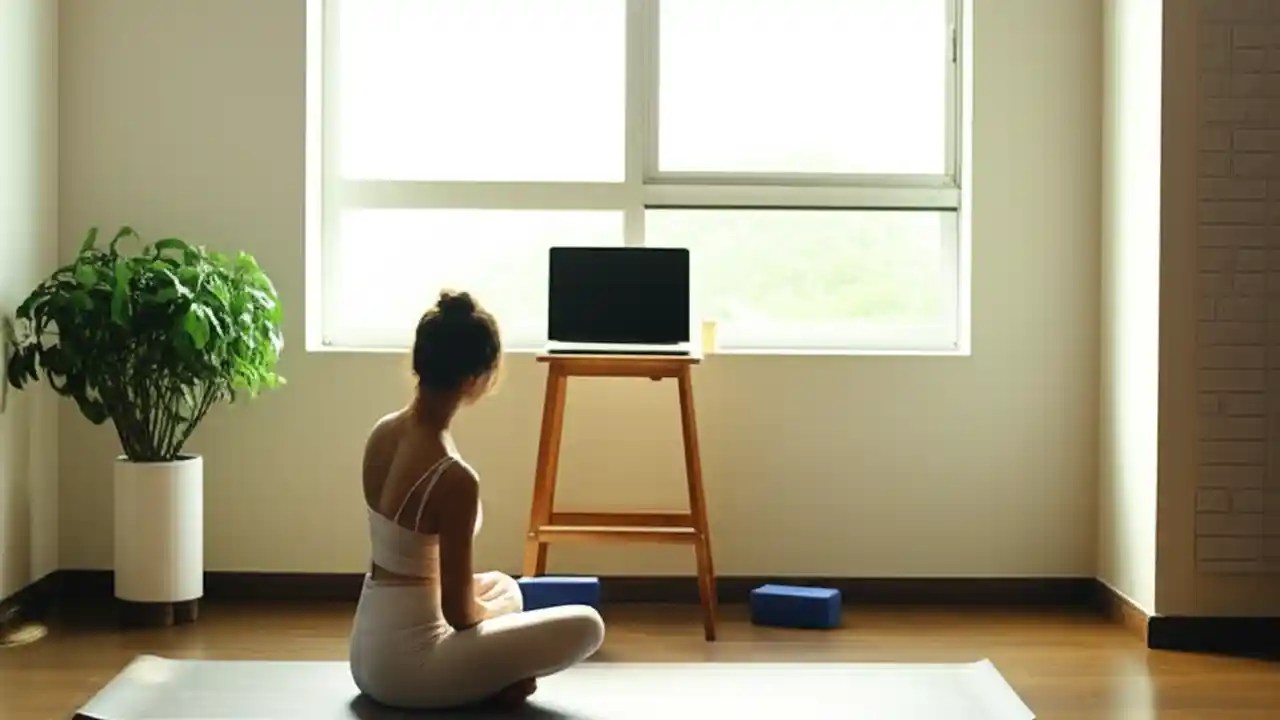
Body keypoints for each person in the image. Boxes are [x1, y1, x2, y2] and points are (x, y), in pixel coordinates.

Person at [349, 291, 604, 710]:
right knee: (587, 626)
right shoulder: (454, 477)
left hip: (365, 652)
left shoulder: (383, 433)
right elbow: (460, 614)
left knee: (505, 587)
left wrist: (494, 609)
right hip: (409, 673)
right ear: (473, 379)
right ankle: (488, 681)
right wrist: (491, 618)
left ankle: (487, 675)